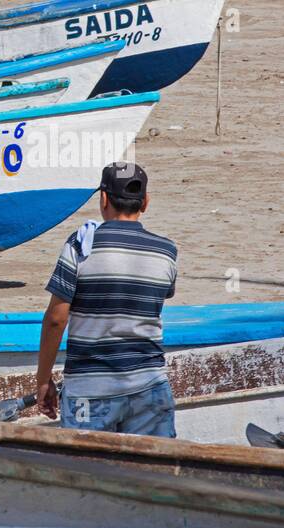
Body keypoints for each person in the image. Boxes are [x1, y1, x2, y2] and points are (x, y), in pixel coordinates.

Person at [35, 162, 179, 437]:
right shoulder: (166, 251)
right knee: (153, 474)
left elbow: (56, 319)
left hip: (89, 393)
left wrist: (43, 380)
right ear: (145, 202)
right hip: (149, 389)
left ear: (103, 200)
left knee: (88, 475)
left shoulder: (80, 244)